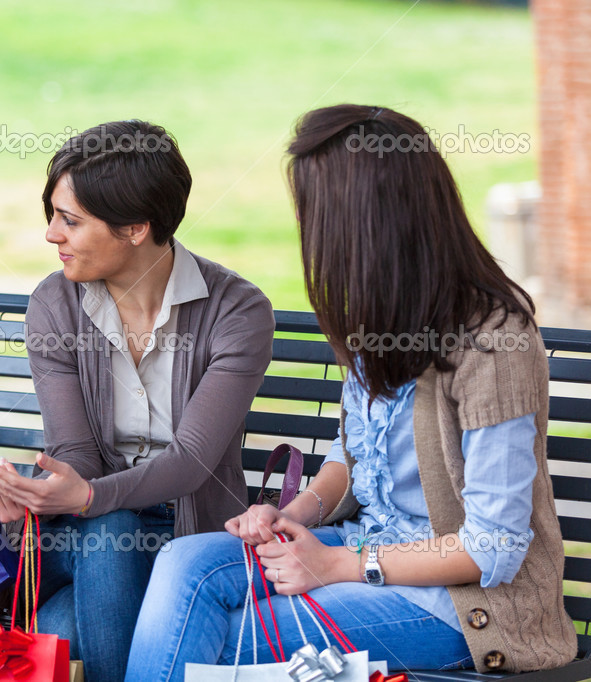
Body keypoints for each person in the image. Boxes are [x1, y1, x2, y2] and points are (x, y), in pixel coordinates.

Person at [125, 104, 578, 681]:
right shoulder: (379, 315)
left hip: (462, 606)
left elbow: (493, 546)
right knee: (184, 561)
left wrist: (336, 563)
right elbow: (352, 457)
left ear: (365, 226)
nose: (309, 236)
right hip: (367, 547)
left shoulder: (493, 343)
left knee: (225, 637)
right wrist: (291, 517)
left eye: (315, 216)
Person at [0, 120, 275, 682]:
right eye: (52, 215)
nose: (52, 235)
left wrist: (86, 498)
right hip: (83, 538)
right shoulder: (55, 305)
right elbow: (75, 448)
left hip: (190, 540)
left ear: (135, 228)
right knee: (107, 532)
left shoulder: (237, 311)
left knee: (58, 629)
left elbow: (193, 459)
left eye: (70, 221)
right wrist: (33, 490)